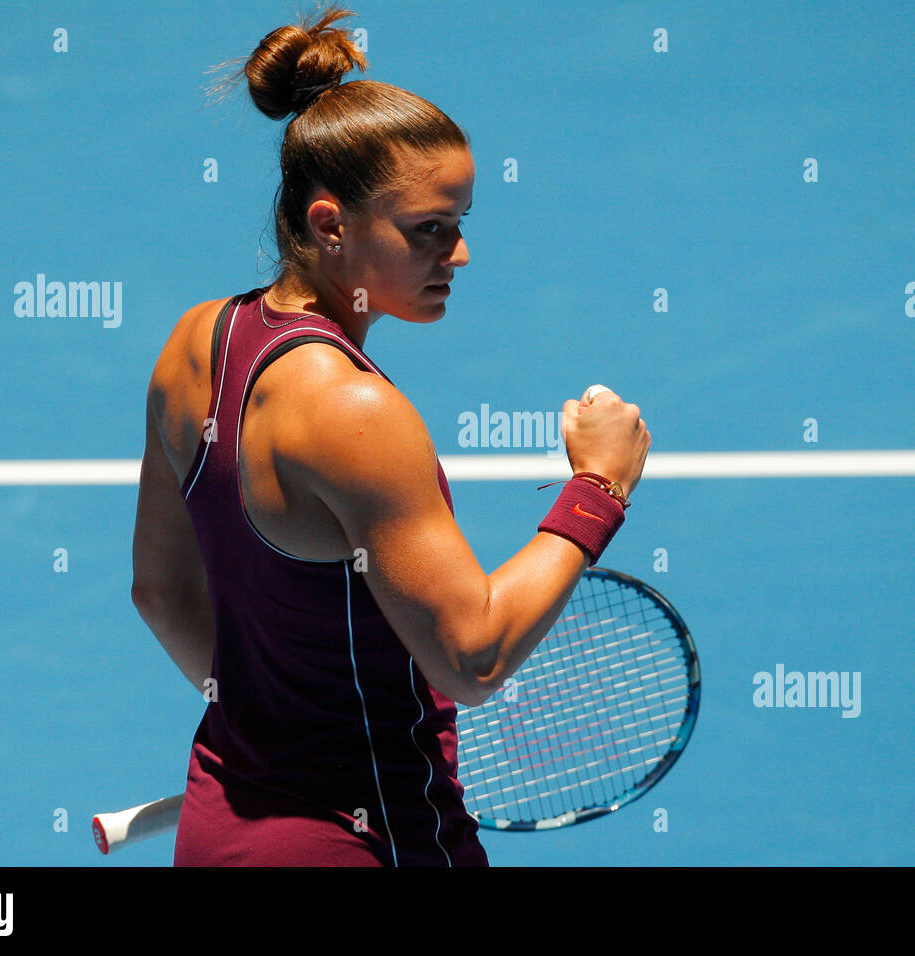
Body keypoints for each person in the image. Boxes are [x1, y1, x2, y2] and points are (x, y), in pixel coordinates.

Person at [130, 5, 650, 866]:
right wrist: (598, 490)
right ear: (331, 225)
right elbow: (472, 658)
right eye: (429, 230)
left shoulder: (196, 343)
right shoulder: (354, 412)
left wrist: (276, 727)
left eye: (461, 222)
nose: (459, 254)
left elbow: (160, 592)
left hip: (224, 826)